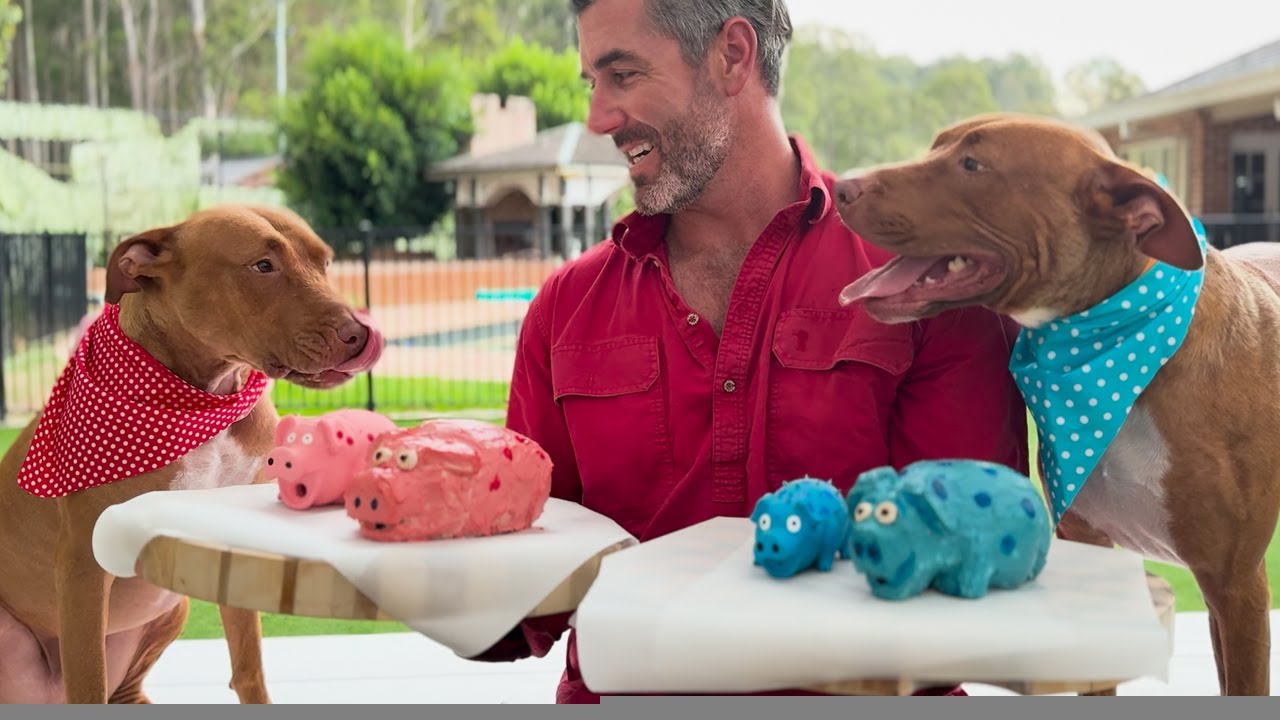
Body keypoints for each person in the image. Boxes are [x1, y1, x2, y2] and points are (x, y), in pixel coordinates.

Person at [472, 0, 1029, 703]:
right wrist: (424, 567)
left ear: (732, 54)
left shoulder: (928, 292)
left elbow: (969, 554)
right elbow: (531, 590)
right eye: (592, 82)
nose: (599, 118)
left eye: (622, 74)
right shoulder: (564, 309)